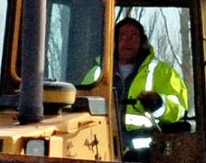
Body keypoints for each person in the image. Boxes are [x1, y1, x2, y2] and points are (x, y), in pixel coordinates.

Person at [80, 16, 191, 146]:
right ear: (113, 42)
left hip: (148, 152)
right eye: (122, 37)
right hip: (102, 148)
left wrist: (158, 104)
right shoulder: (96, 74)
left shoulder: (162, 72)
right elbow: (79, 104)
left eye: (133, 37)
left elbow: (179, 109)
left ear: (142, 42)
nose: (128, 42)